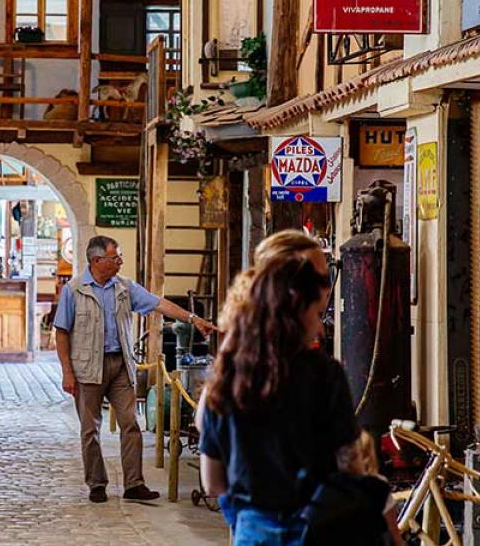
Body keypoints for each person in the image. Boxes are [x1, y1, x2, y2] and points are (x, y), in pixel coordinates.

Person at [196, 230, 387, 545]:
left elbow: (213, 481)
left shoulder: (228, 375)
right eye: (321, 282)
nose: (326, 293)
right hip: (316, 530)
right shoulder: (324, 373)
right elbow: (348, 465)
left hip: (252, 531)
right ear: (300, 299)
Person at [54, 235, 216, 503]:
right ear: (96, 261)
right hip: (87, 368)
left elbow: (158, 303)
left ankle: (134, 483)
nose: (119, 262)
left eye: (119, 257)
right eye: (114, 257)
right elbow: (61, 333)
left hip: (120, 366)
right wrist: (67, 372)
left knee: (131, 425)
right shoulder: (74, 291)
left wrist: (193, 318)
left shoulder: (125, 288)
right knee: (90, 429)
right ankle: (96, 484)